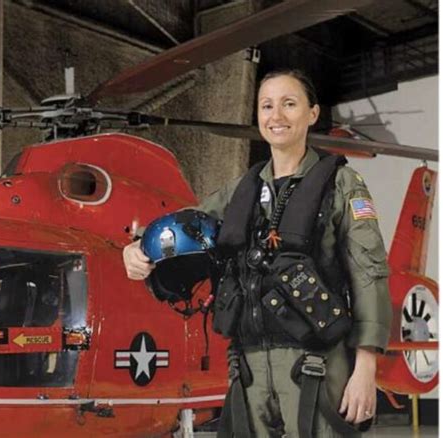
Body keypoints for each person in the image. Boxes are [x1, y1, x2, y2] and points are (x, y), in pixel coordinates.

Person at [123, 69, 392, 437]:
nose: (276, 116)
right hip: (247, 369)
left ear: (312, 113)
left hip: (317, 364)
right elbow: (184, 233)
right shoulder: (241, 191)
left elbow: (368, 273)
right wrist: (137, 249)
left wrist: (366, 368)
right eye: (267, 106)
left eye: (289, 104)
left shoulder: (342, 185)